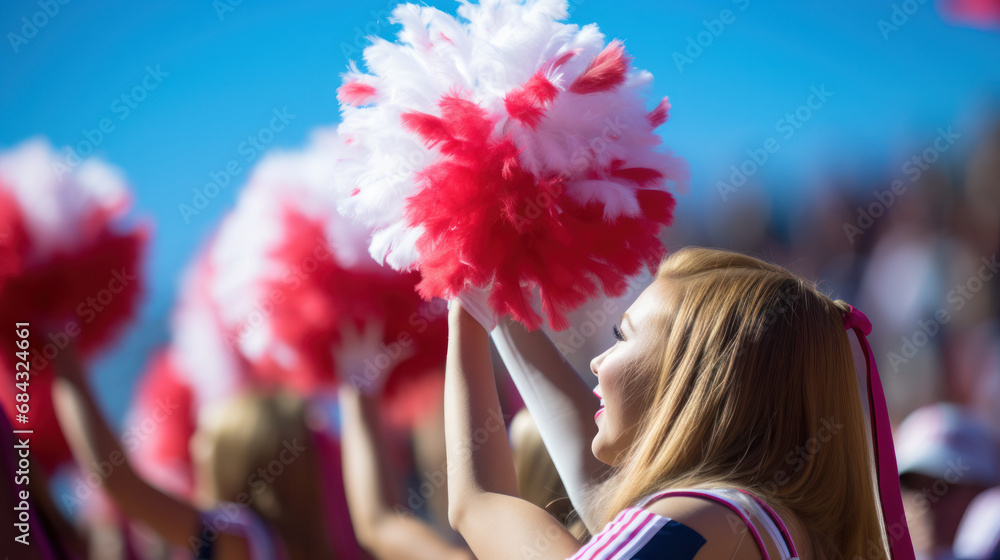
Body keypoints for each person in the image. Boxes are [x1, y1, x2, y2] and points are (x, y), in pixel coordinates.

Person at [443, 247, 915, 559]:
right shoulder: (759, 521)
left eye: (619, 335)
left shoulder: (707, 513)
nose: (597, 362)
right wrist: (493, 297)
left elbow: (479, 505)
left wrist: (464, 312)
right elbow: (592, 485)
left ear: (691, 377)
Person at [51, 345, 336, 559]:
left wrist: (64, 358)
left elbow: (119, 482)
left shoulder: (244, 538)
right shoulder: (311, 538)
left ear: (234, 464)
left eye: (205, 439)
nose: (194, 448)